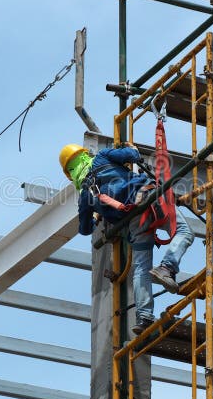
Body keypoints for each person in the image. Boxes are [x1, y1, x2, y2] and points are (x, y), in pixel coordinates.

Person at [59, 143, 194, 335]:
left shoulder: (84, 196)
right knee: (184, 232)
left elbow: (85, 229)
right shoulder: (102, 157)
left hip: (133, 222)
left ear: (70, 173)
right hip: (147, 200)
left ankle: (144, 317)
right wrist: (129, 147)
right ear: (84, 155)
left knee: (141, 266)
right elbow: (132, 155)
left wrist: (96, 215)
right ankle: (167, 267)